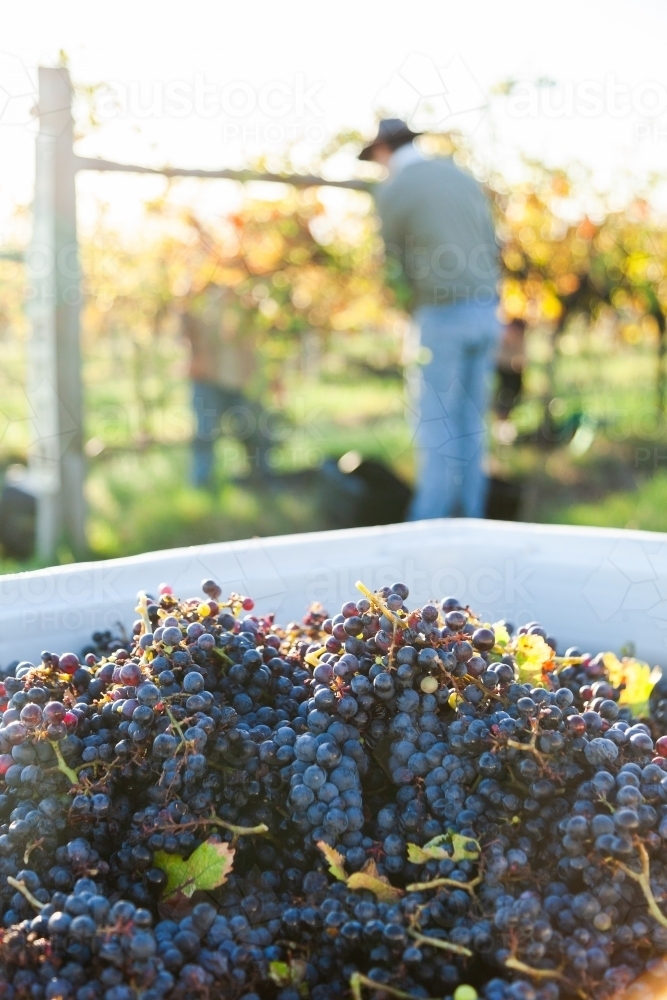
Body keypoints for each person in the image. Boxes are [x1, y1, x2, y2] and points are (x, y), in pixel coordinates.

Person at [360, 119, 501, 519]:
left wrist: (408, 312)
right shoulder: (459, 175)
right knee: (472, 423)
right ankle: (472, 516)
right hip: (486, 310)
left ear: (384, 151)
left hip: (442, 315)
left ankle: (430, 523)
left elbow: (394, 265)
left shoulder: (394, 191)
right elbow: (491, 239)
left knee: (436, 423)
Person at [181, 283, 270, 487]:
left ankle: (259, 478)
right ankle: (201, 483)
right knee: (205, 434)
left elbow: (258, 340)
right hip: (208, 378)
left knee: (253, 430)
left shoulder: (249, 294)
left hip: (241, 379)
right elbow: (186, 323)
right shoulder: (201, 293)